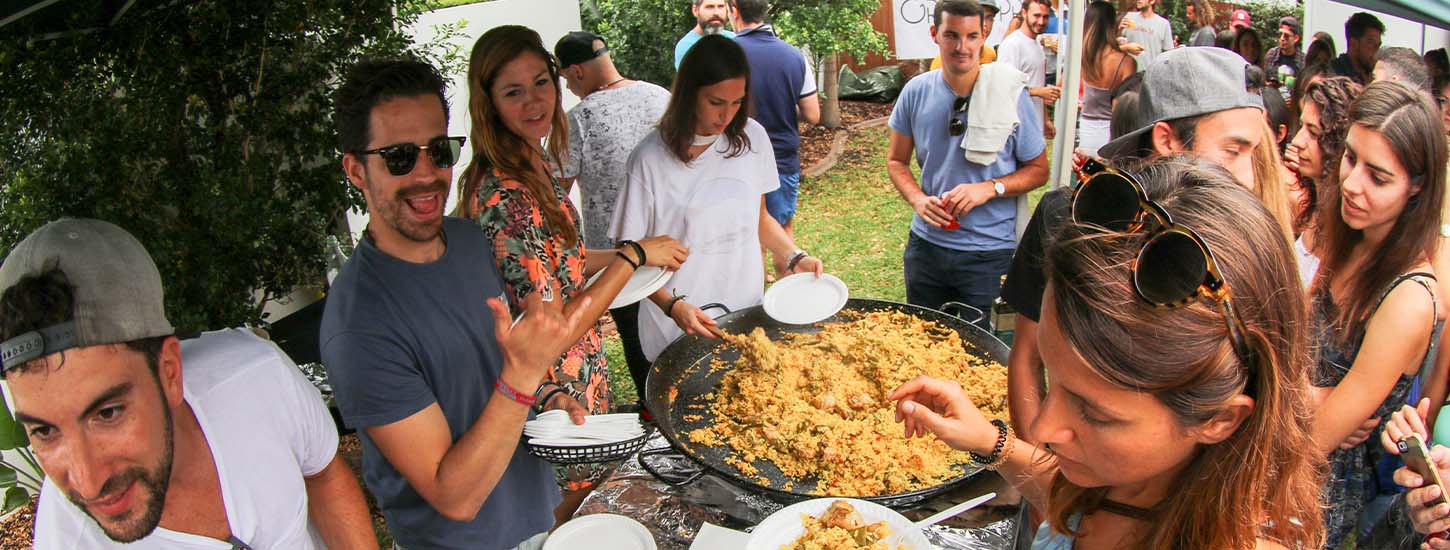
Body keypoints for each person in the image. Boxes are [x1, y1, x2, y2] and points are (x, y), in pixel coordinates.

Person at [893, 157, 1326, 549]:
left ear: (1219, 420)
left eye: (1095, 413)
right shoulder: (1137, 479)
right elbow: (1081, 505)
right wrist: (992, 443)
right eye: (1052, 379)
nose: (1043, 426)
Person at [321, 58, 596, 549]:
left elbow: (495, 362)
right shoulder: (358, 325)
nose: (427, 175)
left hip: (536, 517)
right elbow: (455, 496)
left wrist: (547, 393)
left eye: (439, 152)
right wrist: (523, 376)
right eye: (400, 157)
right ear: (356, 170)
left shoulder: (470, 241)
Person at [4, 219, 376, 549]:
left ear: (168, 371)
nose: (87, 482)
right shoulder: (69, 539)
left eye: (108, 413)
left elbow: (324, 476)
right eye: (44, 430)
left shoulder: (256, 377)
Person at [1003, 46, 1292, 439]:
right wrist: (1040, 472)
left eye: (1253, 154)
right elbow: (1026, 356)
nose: (1248, 176)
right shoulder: (1070, 219)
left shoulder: (1238, 252)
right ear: (1167, 139)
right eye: (1232, 150)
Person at [457, 24, 688, 433]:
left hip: (582, 367)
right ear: (488, 102)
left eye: (541, 83)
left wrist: (640, 261)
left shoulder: (536, 162)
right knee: (574, 496)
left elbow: (563, 263)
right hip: (551, 392)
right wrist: (631, 256)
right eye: (513, 92)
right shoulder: (505, 194)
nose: (534, 101)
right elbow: (551, 331)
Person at [612, 35, 824, 364]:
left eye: (736, 102)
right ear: (689, 94)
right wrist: (672, 305)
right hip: (678, 320)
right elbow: (629, 259)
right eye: (715, 102)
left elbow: (759, 218)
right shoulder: (649, 159)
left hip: (745, 309)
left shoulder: (752, 137)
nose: (727, 115)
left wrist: (795, 257)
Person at [1309, 80, 1446, 549]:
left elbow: (1320, 438)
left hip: (1315, 497)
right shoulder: (1351, 234)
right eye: (1350, 158)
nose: (1351, 183)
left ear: (1418, 187)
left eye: (1378, 176)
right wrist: (1309, 395)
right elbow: (1290, 345)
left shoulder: (1409, 297)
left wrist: (1307, 400)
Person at [886, 0, 1048, 329]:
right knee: (921, 344)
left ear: (984, 35)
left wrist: (989, 188)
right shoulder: (916, 92)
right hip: (926, 249)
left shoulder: (1010, 93)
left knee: (981, 356)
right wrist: (918, 199)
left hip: (989, 254)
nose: (963, 47)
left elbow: (1039, 170)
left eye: (972, 36)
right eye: (952, 35)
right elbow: (895, 160)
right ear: (935, 34)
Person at [553, 31, 673, 406]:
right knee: (678, 333)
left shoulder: (578, 120)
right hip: (674, 246)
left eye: (563, 79)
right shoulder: (662, 97)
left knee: (639, 345)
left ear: (575, 72)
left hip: (620, 260)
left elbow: (550, 195)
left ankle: (654, 413)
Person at [729, 0, 821, 236]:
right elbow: (813, 114)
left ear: (734, 10)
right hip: (782, 159)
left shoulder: (725, 54)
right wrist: (785, 105)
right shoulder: (794, 56)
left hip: (736, 158)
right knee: (783, 230)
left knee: (752, 234)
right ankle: (788, 273)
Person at [1287, 77, 1361, 277]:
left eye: (1313, 132)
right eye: (1301, 127)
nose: (1297, 141)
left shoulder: (1350, 226)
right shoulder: (1311, 209)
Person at [1077, 0, 1136, 156]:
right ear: (1112, 24)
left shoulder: (1081, 56)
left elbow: (1063, 86)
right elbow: (1126, 105)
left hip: (1086, 126)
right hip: (1112, 131)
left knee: (1086, 176)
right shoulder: (1126, 62)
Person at [997, 0, 1061, 139]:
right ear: (1024, 13)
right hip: (1015, 128)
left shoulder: (1036, 42)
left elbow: (1037, 83)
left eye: (1045, 16)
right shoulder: (1012, 44)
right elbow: (1003, 87)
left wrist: (1045, 120)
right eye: (1036, 15)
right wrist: (1039, 92)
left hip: (1033, 125)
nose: (1041, 21)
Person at [930, 0, 1001, 69]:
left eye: (989, 18)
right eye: (977, 16)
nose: (984, 24)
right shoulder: (941, 65)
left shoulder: (990, 54)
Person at [675, 0, 736, 69]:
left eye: (721, 6)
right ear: (695, 10)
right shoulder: (687, 46)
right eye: (710, 7)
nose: (716, 12)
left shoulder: (735, 39)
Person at [1330, 12, 1385, 85]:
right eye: (1371, 42)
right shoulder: (1332, 76)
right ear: (1353, 43)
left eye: (1378, 45)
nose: (1377, 50)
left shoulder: (1372, 78)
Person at [1119, 0, 1174, 71]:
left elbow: (1169, 54)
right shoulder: (1129, 18)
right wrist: (1119, 30)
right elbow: (1115, 44)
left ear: (1152, 1)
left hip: (1151, 74)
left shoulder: (1163, 24)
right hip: (1129, 74)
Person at [1263, 16, 1305, 95]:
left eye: (1286, 36)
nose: (1282, 38)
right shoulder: (1271, 55)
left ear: (1296, 38)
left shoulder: (1303, 61)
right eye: (1280, 34)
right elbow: (1263, 79)